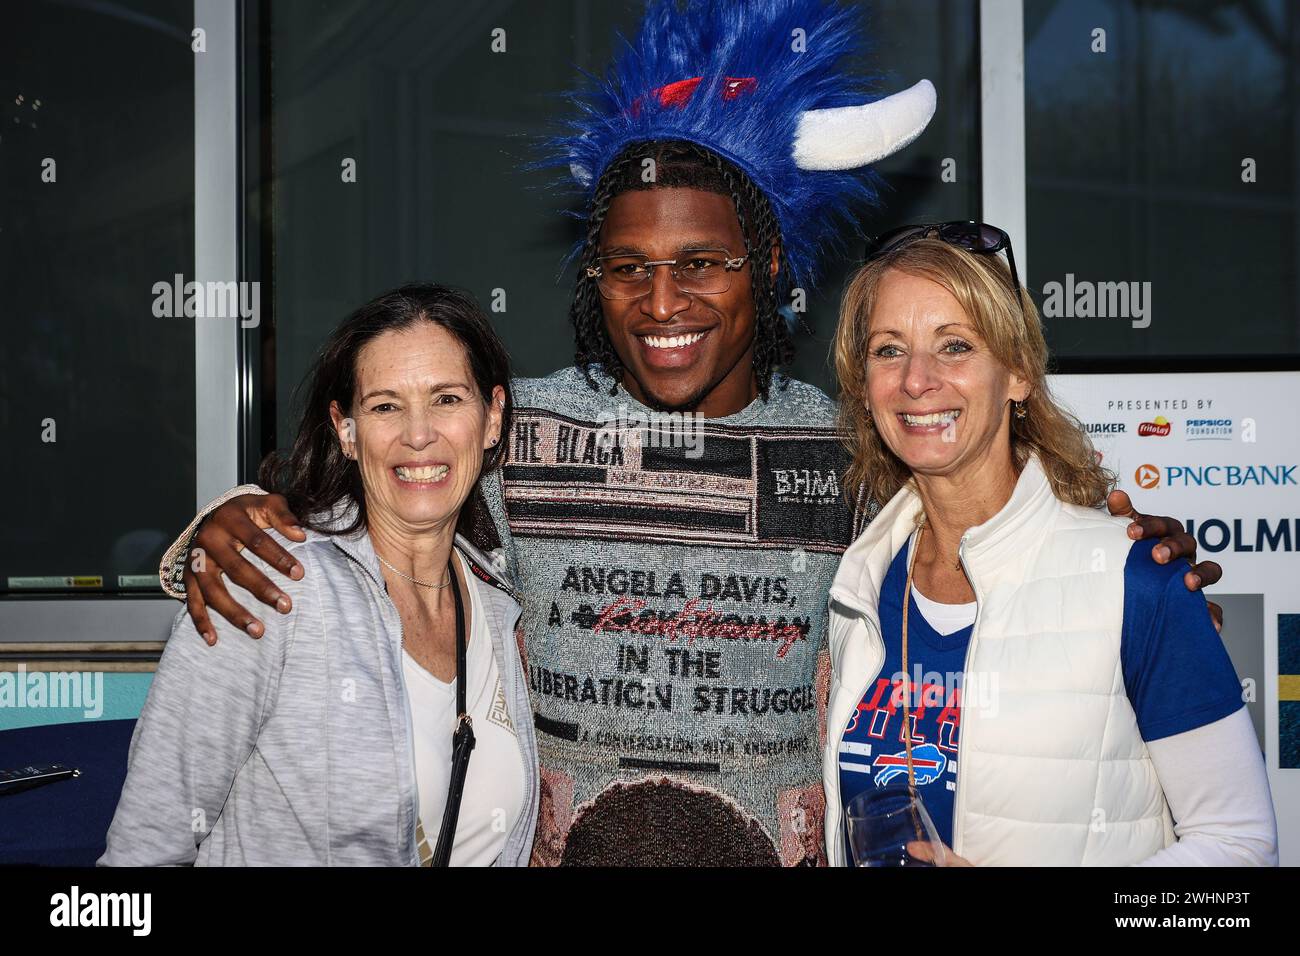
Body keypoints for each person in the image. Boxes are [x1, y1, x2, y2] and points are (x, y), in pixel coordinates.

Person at [152, 2, 1220, 866]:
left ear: (766, 270)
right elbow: (369, 496)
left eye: (702, 262)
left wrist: (1126, 548)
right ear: (596, 282)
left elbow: (989, 514)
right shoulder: (517, 430)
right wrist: (224, 521)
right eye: (628, 268)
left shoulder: (853, 447)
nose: (662, 302)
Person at [823, 226, 1277, 866]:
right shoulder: (862, 584)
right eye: (888, 350)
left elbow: (1242, 850)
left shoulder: (1136, 579)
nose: (916, 380)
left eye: (954, 346)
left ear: (1018, 375)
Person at [102, 284, 538, 866]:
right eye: (385, 405)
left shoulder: (497, 602)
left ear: (492, 418)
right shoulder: (266, 583)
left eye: (447, 399)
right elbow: (145, 851)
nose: (417, 434)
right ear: (346, 431)